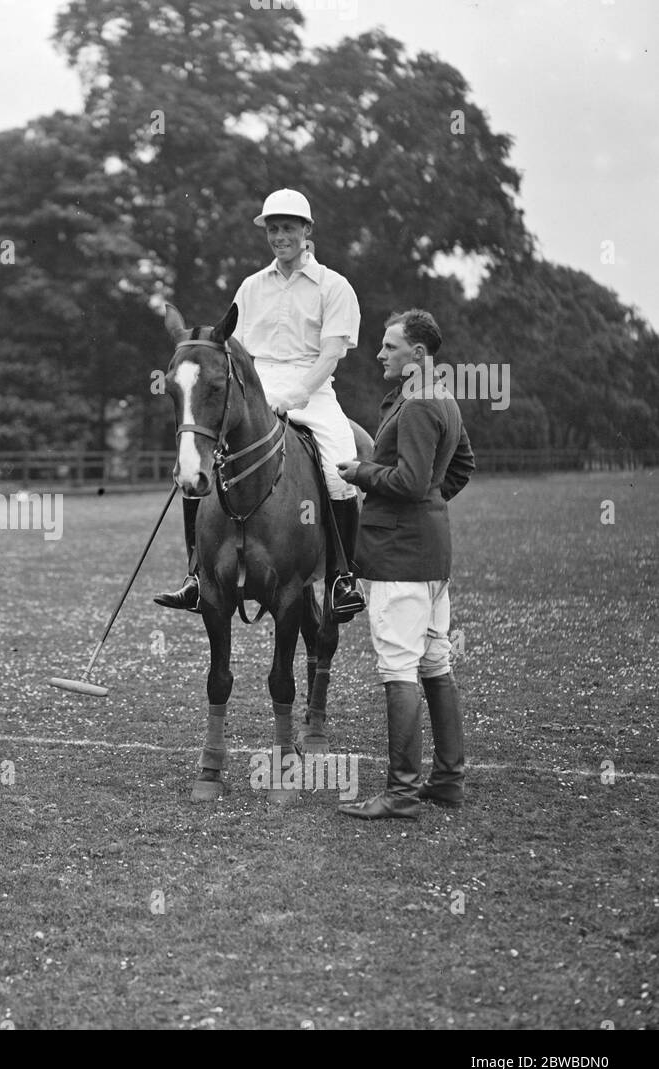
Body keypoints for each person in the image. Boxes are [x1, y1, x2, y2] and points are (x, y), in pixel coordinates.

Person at [155, 188, 363, 616]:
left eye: (288, 228)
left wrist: (297, 393)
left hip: (313, 391)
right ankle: (197, 575)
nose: (279, 236)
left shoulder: (334, 286)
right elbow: (236, 349)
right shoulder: (250, 287)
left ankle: (343, 576)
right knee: (198, 466)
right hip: (255, 388)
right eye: (273, 229)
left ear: (307, 230)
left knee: (340, 467)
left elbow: (330, 355)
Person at [334, 309, 476, 820]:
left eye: (390, 346)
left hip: (401, 557)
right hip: (430, 552)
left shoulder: (417, 403)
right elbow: (461, 467)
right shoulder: (441, 395)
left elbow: (411, 482)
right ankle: (448, 780)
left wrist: (361, 472)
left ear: (417, 353)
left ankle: (401, 793)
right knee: (435, 662)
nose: (379, 354)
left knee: (399, 666)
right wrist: (429, 508)